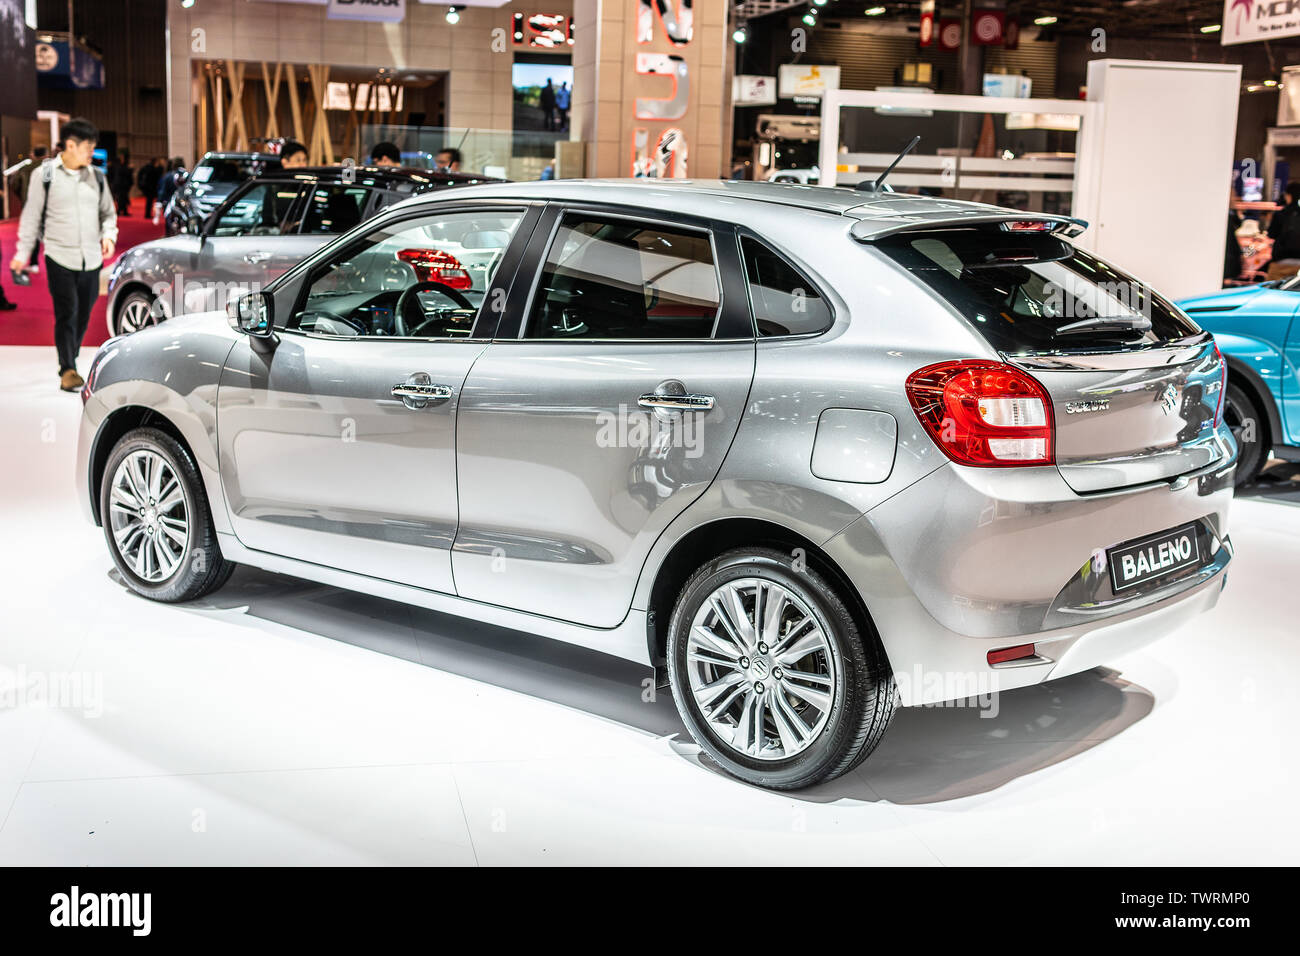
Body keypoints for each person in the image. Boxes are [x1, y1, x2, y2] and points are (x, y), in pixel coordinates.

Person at [10, 117, 118, 392]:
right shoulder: (45, 175)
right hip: (59, 255)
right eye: (87, 148)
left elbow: (108, 213)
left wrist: (109, 234)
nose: (90, 154)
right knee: (66, 311)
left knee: (84, 311)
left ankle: (71, 355)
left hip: (91, 258)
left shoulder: (97, 177)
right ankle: (67, 368)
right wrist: (22, 254)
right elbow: (31, 216)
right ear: (70, 145)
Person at [1267, 182, 1300, 280]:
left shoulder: (1281, 214)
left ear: (1288, 195)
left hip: (1281, 262)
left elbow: (1271, 234)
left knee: (1272, 291)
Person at [109, 149, 133, 216]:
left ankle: (124, 211)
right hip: (119, 184)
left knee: (124, 198)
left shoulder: (123, 165)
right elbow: (121, 173)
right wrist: (130, 169)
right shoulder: (118, 165)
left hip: (123, 184)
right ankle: (119, 211)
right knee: (119, 198)